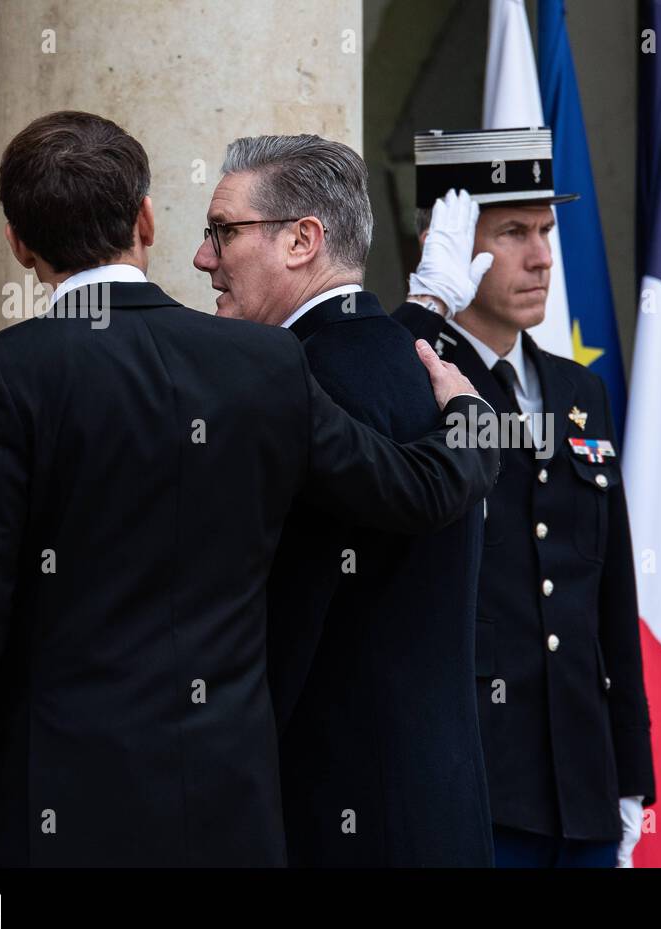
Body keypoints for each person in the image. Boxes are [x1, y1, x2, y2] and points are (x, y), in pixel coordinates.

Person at [0, 110, 496, 868]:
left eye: (223, 232)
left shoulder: (1, 374)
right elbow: (416, 489)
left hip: (59, 813)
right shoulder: (262, 364)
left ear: (17, 243)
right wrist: (471, 414)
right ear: (145, 220)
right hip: (227, 814)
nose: (206, 257)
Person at [192, 135, 495, 866]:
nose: (204, 257)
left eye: (223, 231)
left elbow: (279, 633)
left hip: (330, 819)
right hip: (442, 811)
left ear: (303, 240)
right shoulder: (426, 369)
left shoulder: (285, 386)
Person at [395, 127, 656, 868]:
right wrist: (420, 311)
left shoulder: (580, 391)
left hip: (579, 785)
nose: (542, 256)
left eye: (545, 229)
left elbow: (610, 589)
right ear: (444, 241)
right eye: (511, 232)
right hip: (468, 780)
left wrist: (631, 774)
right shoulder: (405, 380)